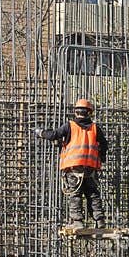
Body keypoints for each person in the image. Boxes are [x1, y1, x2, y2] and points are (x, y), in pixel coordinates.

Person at [36, 98, 108, 229]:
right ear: (89, 113)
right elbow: (104, 145)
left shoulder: (70, 126)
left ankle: (77, 222)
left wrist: (41, 133)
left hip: (73, 168)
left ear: (75, 112)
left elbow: (54, 135)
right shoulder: (95, 128)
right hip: (90, 169)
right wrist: (101, 159)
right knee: (93, 194)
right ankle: (100, 220)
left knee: (75, 195)